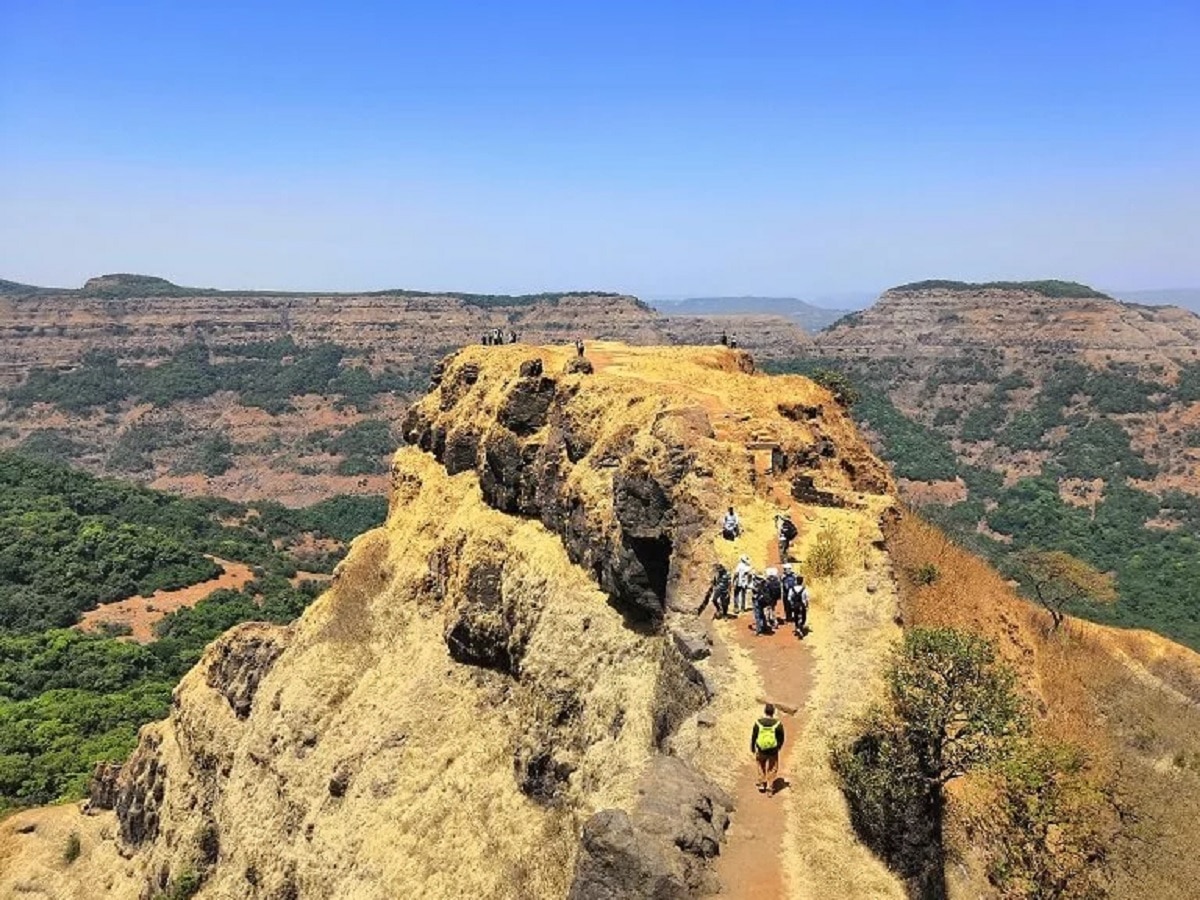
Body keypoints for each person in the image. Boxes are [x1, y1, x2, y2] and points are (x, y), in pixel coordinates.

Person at [751, 703, 785, 794]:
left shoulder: (758, 723)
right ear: (773, 712)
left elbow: (754, 736)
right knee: (772, 767)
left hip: (761, 749)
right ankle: (770, 787)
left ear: (765, 711)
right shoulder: (777, 724)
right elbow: (781, 737)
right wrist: (778, 747)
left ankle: (762, 783)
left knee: (760, 764)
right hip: (773, 750)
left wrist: (753, 747)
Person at [791, 573, 810, 637]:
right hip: (802, 605)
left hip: (795, 605)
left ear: (796, 581)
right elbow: (807, 598)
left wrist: (792, 604)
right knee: (803, 617)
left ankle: (797, 627)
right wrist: (807, 605)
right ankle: (801, 626)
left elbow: (789, 598)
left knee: (796, 617)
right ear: (802, 582)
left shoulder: (792, 589)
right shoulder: (804, 589)